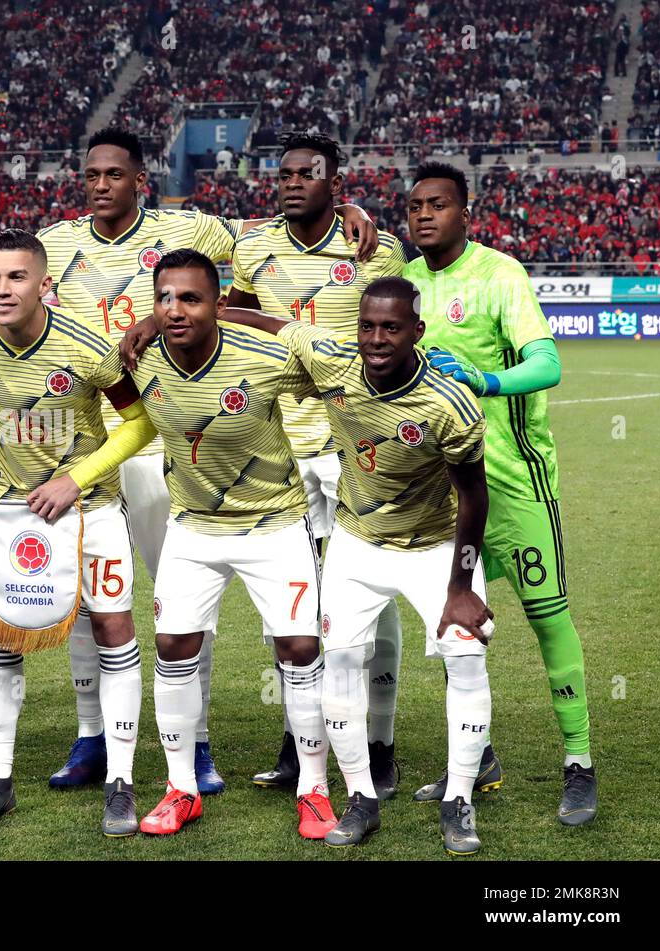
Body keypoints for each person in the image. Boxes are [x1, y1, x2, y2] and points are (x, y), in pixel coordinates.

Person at [0, 127, 379, 795]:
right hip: (77, 445)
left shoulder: (188, 227)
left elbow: (268, 230)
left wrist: (347, 211)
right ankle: (91, 739)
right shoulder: (54, 241)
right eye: (92, 174)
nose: (101, 184)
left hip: (161, 431)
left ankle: (192, 746)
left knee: (182, 600)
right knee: (83, 604)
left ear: (141, 178)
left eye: (114, 174)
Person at [123, 131, 408, 797]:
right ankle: (297, 743)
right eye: (283, 172)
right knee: (295, 616)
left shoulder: (378, 246)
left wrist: (359, 214)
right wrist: (149, 321)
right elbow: (211, 295)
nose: (290, 181)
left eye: (308, 172)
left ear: (337, 182)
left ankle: (381, 741)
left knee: (367, 597)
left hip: (350, 445)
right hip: (273, 442)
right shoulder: (250, 243)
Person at [225, 278, 495, 856]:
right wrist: (170, 318)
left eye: (391, 328)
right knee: (341, 658)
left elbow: (474, 496)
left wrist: (462, 585)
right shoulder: (335, 361)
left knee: (466, 654)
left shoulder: (450, 403)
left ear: (416, 332)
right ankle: (361, 799)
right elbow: (274, 325)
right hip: (356, 541)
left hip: (434, 545)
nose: (376, 338)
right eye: (367, 325)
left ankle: (460, 799)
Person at [0, 230, 156, 836]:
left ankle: (121, 783)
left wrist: (75, 479)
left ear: (43, 283)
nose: (3, 289)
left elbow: (138, 426)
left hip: (91, 508)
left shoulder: (87, 347)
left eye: (17, 277)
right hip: (13, 512)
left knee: (113, 628)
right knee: (2, 637)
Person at [403, 162, 597, 825]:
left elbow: (548, 364)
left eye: (438, 204)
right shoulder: (407, 284)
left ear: (465, 213)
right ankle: (475, 754)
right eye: (415, 206)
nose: (424, 214)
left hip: (515, 485)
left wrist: (486, 379)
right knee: (458, 629)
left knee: (547, 617)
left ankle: (579, 761)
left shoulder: (500, 274)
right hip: (445, 492)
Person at [123, 250, 332, 838]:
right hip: (193, 527)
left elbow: (332, 362)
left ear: (219, 302)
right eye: (164, 298)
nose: (175, 309)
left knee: (298, 647)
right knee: (172, 644)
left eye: (191, 298)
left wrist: (252, 318)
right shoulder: (137, 360)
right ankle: (181, 789)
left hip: (275, 524)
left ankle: (313, 789)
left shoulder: (265, 358)